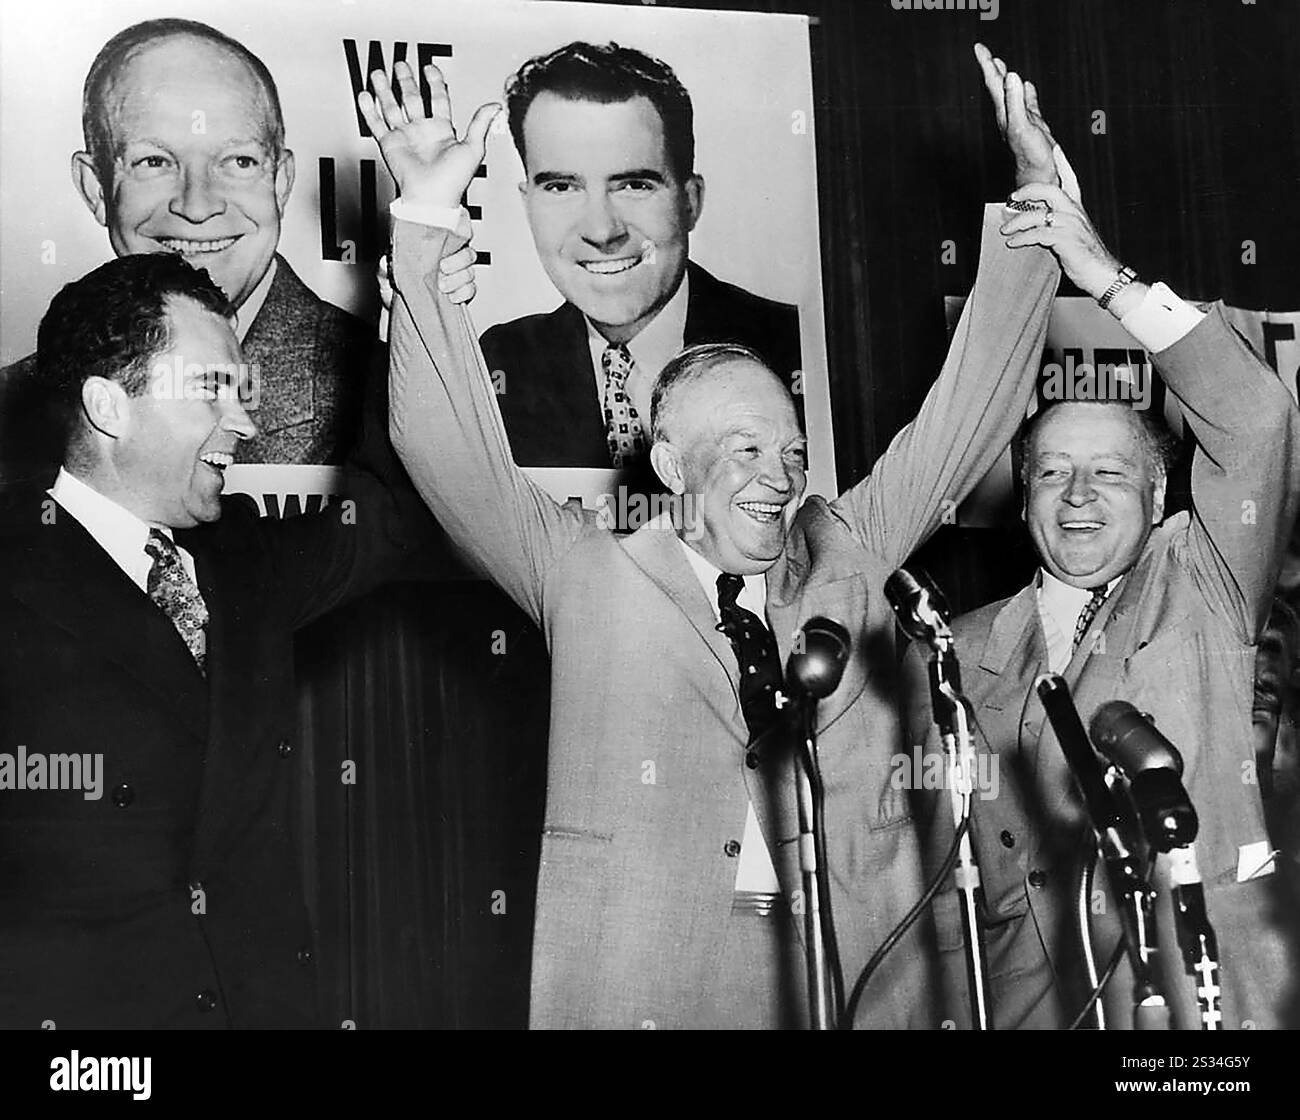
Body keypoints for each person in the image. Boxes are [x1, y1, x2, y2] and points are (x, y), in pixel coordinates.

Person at [361, 48, 1060, 1027]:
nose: (779, 476)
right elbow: (442, 444)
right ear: (669, 466)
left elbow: (965, 417)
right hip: (646, 982)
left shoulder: (844, 549)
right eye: (740, 449)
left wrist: (1035, 203)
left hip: (838, 979)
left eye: (790, 448)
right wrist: (428, 223)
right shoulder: (583, 570)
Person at [906, 48, 1300, 1030]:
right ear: (1020, 490)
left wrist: (1100, 272)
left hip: (1196, 1018)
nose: (1077, 498)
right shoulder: (955, 648)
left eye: (1110, 473)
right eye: (1051, 472)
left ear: (1160, 488)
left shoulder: (1202, 582)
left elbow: (1256, 422)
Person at [0, 252, 440, 1028]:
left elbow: (392, 509)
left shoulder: (245, 557)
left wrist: (417, 286)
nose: (245, 422)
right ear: (110, 406)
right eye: (212, 392)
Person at [0, 17, 375, 483]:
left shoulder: (381, 398)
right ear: (95, 188)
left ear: (280, 183)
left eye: (238, 161)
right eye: (153, 161)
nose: (196, 206)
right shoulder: (13, 409)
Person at [479, 41, 802, 474]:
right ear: (528, 202)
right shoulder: (497, 362)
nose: (601, 231)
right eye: (561, 187)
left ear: (690, 202)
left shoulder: (793, 345)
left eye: (633, 185)